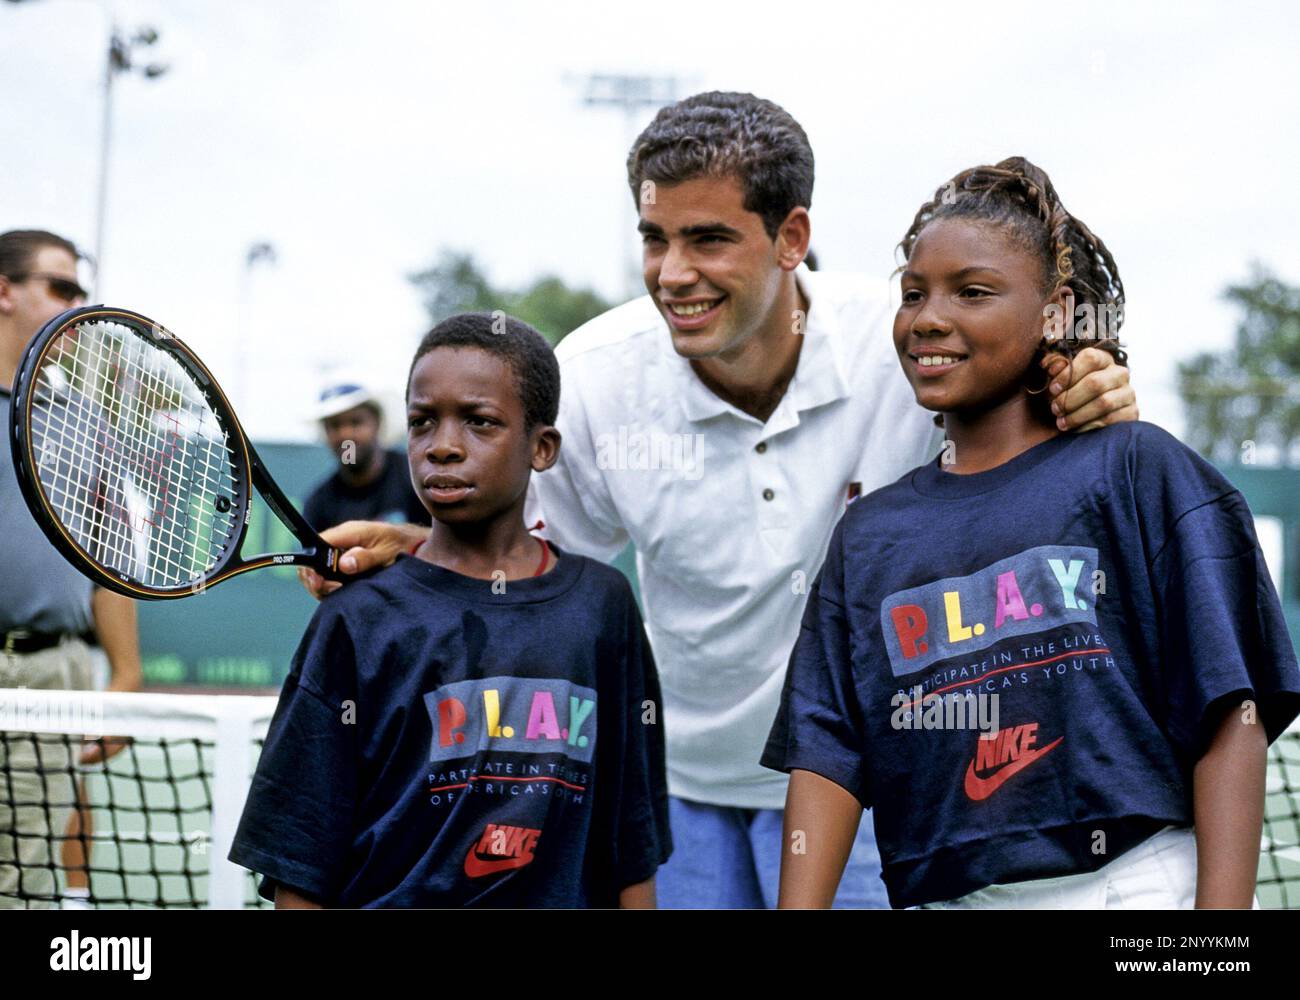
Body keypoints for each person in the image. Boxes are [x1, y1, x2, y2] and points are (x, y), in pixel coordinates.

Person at [299, 93, 1139, 908]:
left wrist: (1084, 385)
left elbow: (1036, 423)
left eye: (708, 240)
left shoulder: (910, 342)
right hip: (681, 791)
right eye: (654, 239)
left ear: (791, 237)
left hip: (872, 789)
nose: (673, 273)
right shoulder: (594, 376)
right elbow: (524, 566)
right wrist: (420, 550)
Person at [763, 157, 1300, 909]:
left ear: (1055, 314)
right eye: (913, 294)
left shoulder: (1137, 468)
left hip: (1134, 890)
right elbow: (827, 754)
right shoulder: (868, 535)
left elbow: (1230, 715)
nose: (928, 317)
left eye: (972, 292)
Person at [230, 313, 671, 907]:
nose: (442, 445)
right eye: (422, 422)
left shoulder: (602, 607)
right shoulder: (354, 620)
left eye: (480, 422)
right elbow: (299, 863)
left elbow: (630, 849)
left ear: (542, 448)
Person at [0, 229, 143, 909]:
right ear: (4, 291)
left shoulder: (87, 422)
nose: (79, 305)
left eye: (82, 291)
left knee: (22, 887)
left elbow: (104, 560)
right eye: (61, 287)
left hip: (53, 676)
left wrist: (124, 675)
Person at [302, 382, 430, 531]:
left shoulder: (416, 477)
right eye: (335, 425)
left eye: (356, 422)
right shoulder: (318, 505)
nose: (346, 435)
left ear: (377, 422)